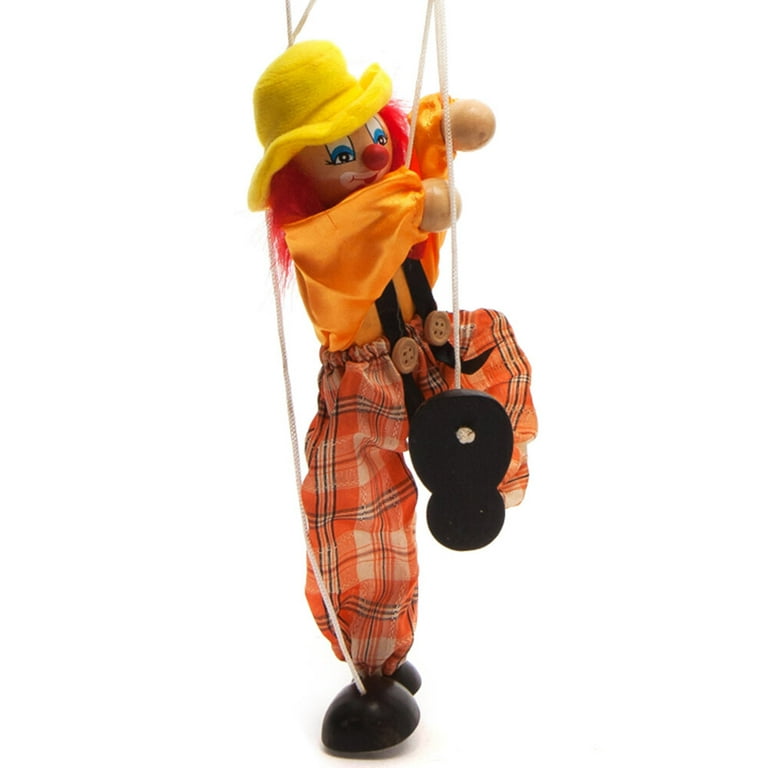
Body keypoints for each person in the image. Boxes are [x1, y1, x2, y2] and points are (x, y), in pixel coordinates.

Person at [247, 40, 537, 754]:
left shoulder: (387, 189)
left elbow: (412, 179)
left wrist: (443, 130)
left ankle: (488, 478)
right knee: (359, 519)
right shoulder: (320, 238)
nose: (373, 153)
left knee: (492, 362)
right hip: (362, 387)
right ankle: (370, 658)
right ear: (299, 178)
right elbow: (361, 236)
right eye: (341, 151)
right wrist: (416, 204)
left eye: (373, 129)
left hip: (422, 343)